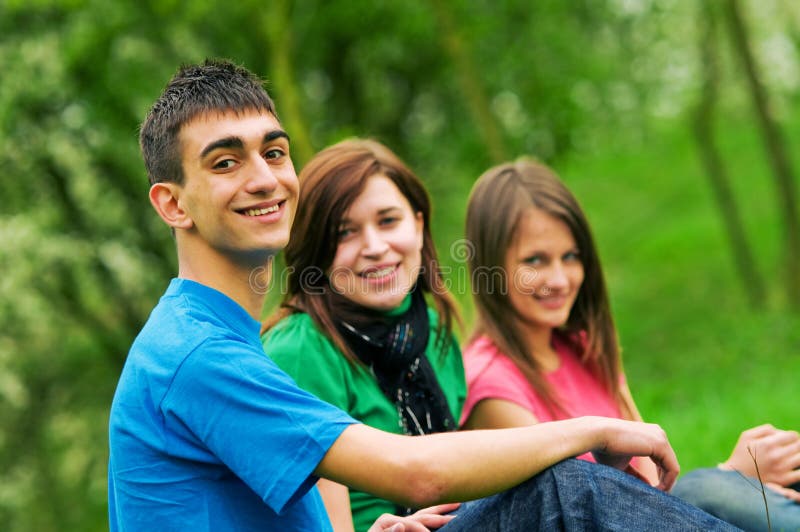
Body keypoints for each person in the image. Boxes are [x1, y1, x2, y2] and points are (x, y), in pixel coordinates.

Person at [107, 59, 735, 532]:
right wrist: (596, 429)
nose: (265, 177)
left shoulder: (214, 338)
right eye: (225, 163)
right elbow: (414, 470)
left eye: (274, 152)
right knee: (570, 493)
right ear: (172, 203)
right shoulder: (197, 357)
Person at [461, 158, 800, 531]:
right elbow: (578, 512)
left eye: (570, 257)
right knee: (710, 492)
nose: (559, 279)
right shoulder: (490, 384)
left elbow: (653, 489)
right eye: (535, 260)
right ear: (490, 266)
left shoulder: (583, 347)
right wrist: (729, 477)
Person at [261, 138, 467, 530]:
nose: (374, 247)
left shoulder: (433, 327)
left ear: (419, 224)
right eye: (344, 233)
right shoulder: (301, 349)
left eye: (388, 221)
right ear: (316, 251)